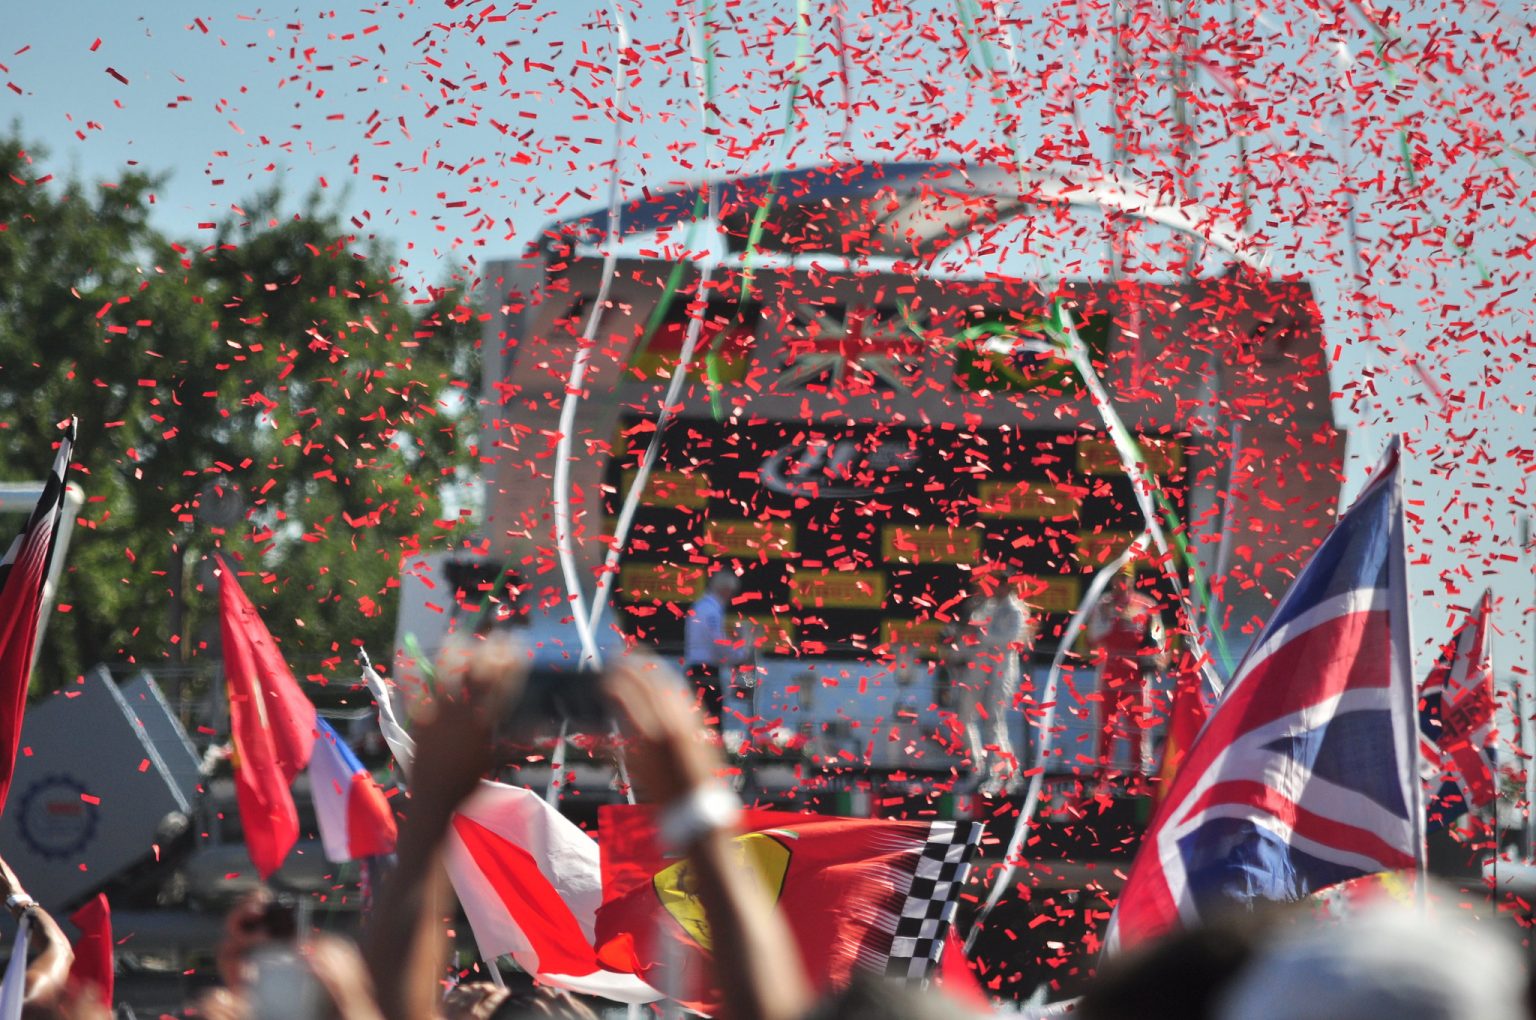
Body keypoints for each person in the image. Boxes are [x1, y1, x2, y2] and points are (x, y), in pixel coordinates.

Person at [951, 561, 1037, 797]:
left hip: (1002, 671)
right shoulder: (985, 607)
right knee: (964, 717)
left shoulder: (1017, 610)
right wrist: (960, 650)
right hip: (978, 669)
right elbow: (970, 636)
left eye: (1002, 583)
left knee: (994, 721)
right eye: (995, 582)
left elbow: (1007, 640)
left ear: (1010, 587)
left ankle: (997, 774)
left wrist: (979, 634)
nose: (997, 587)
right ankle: (979, 769)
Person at [1085, 571, 1168, 777]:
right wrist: (1107, 616)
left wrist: (1158, 658)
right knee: (1106, 726)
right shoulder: (1102, 604)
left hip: (1137, 677)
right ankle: (1101, 775)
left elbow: (1159, 639)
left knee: (1138, 728)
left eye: (1125, 577)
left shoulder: (1146, 605)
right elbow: (1092, 637)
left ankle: (1138, 776)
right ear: (1112, 580)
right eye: (1117, 578)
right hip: (1110, 674)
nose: (1121, 582)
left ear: (1133, 579)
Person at [683, 567, 744, 725]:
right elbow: (718, 642)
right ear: (725, 590)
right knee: (711, 721)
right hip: (706, 671)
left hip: (695, 668)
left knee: (696, 720)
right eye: (730, 592)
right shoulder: (711, 611)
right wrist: (739, 653)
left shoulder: (700, 606)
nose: (730, 597)